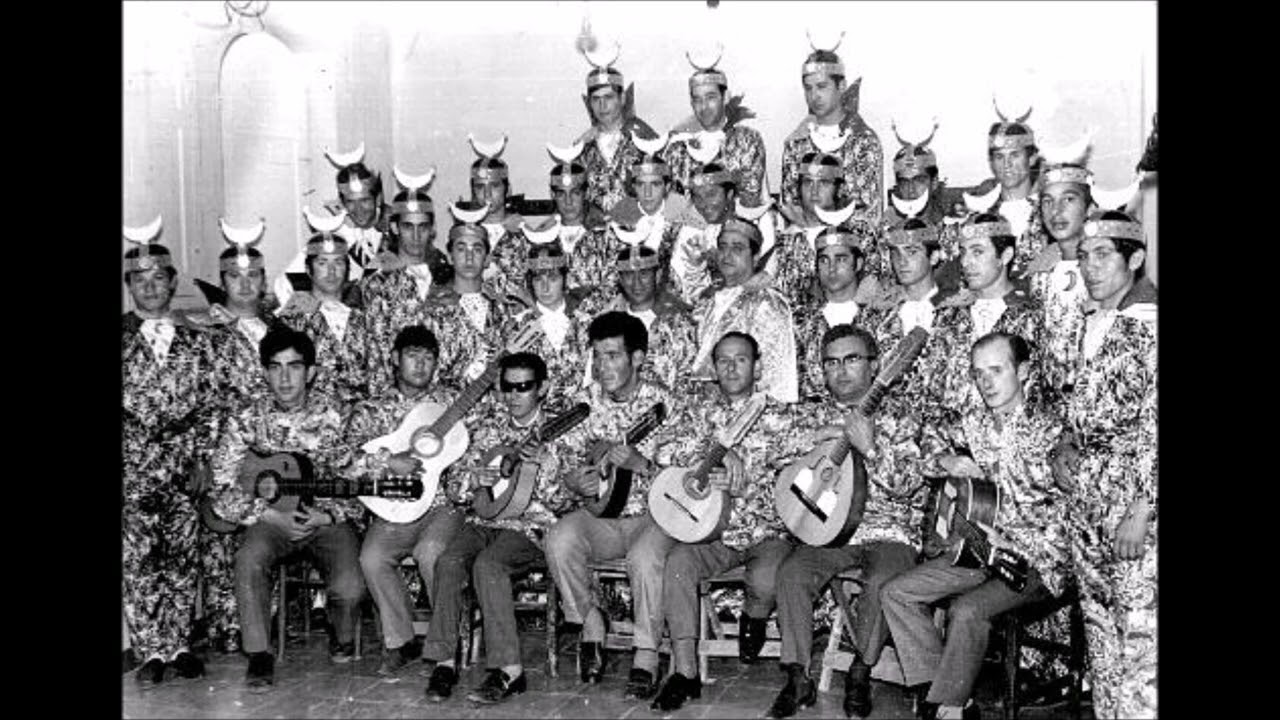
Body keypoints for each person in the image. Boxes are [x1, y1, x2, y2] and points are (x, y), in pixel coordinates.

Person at [881, 332, 1069, 720]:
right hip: (982, 553)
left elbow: (1076, 510)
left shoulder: (1053, 428)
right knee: (896, 593)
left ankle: (944, 707)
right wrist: (948, 461)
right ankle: (951, 696)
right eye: (978, 373)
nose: (986, 382)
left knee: (967, 611)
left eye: (996, 371)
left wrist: (1019, 539)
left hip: (1038, 560)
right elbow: (928, 441)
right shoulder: (974, 422)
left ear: (1024, 372)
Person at [768, 325, 929, 719]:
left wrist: (870, 448)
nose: (841, 371)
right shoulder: (813, 413)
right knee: (791, 573)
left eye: (852, 359)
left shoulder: (905, 416)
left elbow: (910, 487)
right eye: (831, 362)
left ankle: (860, 671)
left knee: (883, 582)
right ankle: (797, 677)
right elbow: (774, 461)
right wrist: (816, 439)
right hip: (828, 533)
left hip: (888, 530)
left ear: (876, 366)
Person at [206, 328, 367, 690]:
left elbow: (358, 481)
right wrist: (264, 514)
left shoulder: (337, 416)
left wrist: (327, 515)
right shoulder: (247, 418)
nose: (284, 377)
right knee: (249, 559)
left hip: (324, 519)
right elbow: (221, 482)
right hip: (270, 518)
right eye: (275, 367)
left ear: (310, 372)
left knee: (350, 586)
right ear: (264, 372)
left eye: (294, 367)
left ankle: (340, 632)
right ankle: (259, 654)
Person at [649, 331, 797, 712]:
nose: (731, 368)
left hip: (767, 529)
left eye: (741, 359)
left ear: (758, 365)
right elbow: (661, 447)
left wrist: (748, 480)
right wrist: (713, 453)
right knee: (678, 565)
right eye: (724, 361)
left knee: (765, 580)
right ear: (713, 368)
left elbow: (802, 478)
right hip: (713, 532)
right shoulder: (697, 410)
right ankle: (684, 672)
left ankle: (754, 616)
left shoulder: (781, 416)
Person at [1052, 211, 1157, 719]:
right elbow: (1079, 407)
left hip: (1133, 505)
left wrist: (1144, 506)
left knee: (1140, 642)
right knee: (1101, 638)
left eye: (1103, 256)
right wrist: (1064, 446)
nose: (1090, 268)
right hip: (1086, 503)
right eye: (1085, 256)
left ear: (1134, 259)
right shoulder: (1091, 322)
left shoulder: (1151, 327)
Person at [421, 352, 571, 705]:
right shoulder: (487, 426)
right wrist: (474, 478)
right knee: (448, 561)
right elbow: (454, 486)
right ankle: (444, 662)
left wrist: (545, 468)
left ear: (543, 388)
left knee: (489, 566)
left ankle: (509, 670)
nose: (513, 395)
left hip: (530, 526)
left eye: (524, 387)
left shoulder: (558, 431)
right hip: (483, 519)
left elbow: (564, 502)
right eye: (507, 387)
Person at [545, 311, 677, 698]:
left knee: (644, 559)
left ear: (637, 358)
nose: (602, 367)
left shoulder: (665, 406)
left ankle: (647, 654)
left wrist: (644, 466)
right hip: (601, 517)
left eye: (613, 356)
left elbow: (686, 481)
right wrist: (571, 482)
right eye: (597, 357)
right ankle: (590, 620)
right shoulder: (583, 405)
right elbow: (557, 471)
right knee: (558, 539)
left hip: (652, 517)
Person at [121, 222, 220, 686]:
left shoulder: (198, 339)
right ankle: (150, 650)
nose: (149, 286)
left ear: (172, 282)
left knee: (182, 558)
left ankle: (179, 643)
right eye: (139, 280)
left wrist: (203, 457)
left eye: (158, 278)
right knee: (139, 560)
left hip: (184, 463)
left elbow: (210, 404)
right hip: (133, 465)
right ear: (129, 287)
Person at [344, 325, 466, 675]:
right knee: (372, 557)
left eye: (429, 358)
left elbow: (473, 448)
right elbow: (344, 461)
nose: (421, 364)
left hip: (444, 505)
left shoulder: (450, 405)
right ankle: (401, 640)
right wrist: (386, 462)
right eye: (413, 355)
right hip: (396, 505)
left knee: (431, 553)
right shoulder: (371, 409)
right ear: (395, 359)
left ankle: (445, 644)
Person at [924, 213, 1045, 428]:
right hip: (954, 445)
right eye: (963, 252)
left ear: (1005, 256)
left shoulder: (1033, 317)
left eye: (977, 252)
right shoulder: (948, 316)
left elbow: (1044, 393)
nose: (965, 262)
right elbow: (930, 392)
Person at [360, 193, 487, 393]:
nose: (416, 236)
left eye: (423, 227)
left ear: (432, 229)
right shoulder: (379, 283)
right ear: (395, 228)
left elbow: (468, 343)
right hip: (400, 398)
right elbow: (376, 352)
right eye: (408, 226)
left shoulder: (446, 275)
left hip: (447, 399)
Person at [689, 218, 799, 404]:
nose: (727, 254)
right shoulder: (706, 302)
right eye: (722, 247)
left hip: (749, 416)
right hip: (703, 411)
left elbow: (776, 373)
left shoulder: (766, 302)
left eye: (737, 248)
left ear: (755, 258)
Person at [779, 37, 883, 234]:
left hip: (850, 249)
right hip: (804, 241)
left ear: (841, 86)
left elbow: (869, 212)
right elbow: (789, 205)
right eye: (808, 88)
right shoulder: (796, 143)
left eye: (822, 86)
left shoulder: (863, 142)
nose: (814, 96)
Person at [276, 222, 379, 407]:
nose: (331, 271)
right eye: (322, 263)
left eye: (338, 262)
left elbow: (377, 374)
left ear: (347, 269)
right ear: (308, 269)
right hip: (311, 421)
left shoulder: (363, 318)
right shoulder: (291, 319)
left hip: (359, 421)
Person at [588, 246, 699, 395]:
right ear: (620, 279)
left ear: (658, 275)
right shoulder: (605, 321)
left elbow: (690, 378)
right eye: (629, 275)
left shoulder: (680, 322)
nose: (636, 283)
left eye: (644, 274)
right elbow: (594, 374)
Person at [664, 48, 767, 206]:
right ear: (691, 103)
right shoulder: (677, 148)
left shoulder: (747, 140)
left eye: (710, 97)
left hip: (735, 226)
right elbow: (674, 205)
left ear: (725, 97)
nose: (704, 106)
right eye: (697, 100)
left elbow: (749, 198)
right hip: (689, 227)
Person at [789, 206, 873, 400]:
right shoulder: (800, 320)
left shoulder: (880, 316)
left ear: (858, 263)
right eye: (824, 261)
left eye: (841, 259)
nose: (832, 269)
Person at [501, 243, 595, 407]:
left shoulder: (587, 322)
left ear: (565, 280)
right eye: (538, 279)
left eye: (553, 279)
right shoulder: (517, 326)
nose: (545, 287)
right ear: (531, 283)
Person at [574, 43, 658, 215]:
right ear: (589, 103)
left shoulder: (644, 139)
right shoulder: (581, 148)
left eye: (608, 97)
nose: (602, 106)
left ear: (623, 98)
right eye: (596, 99)